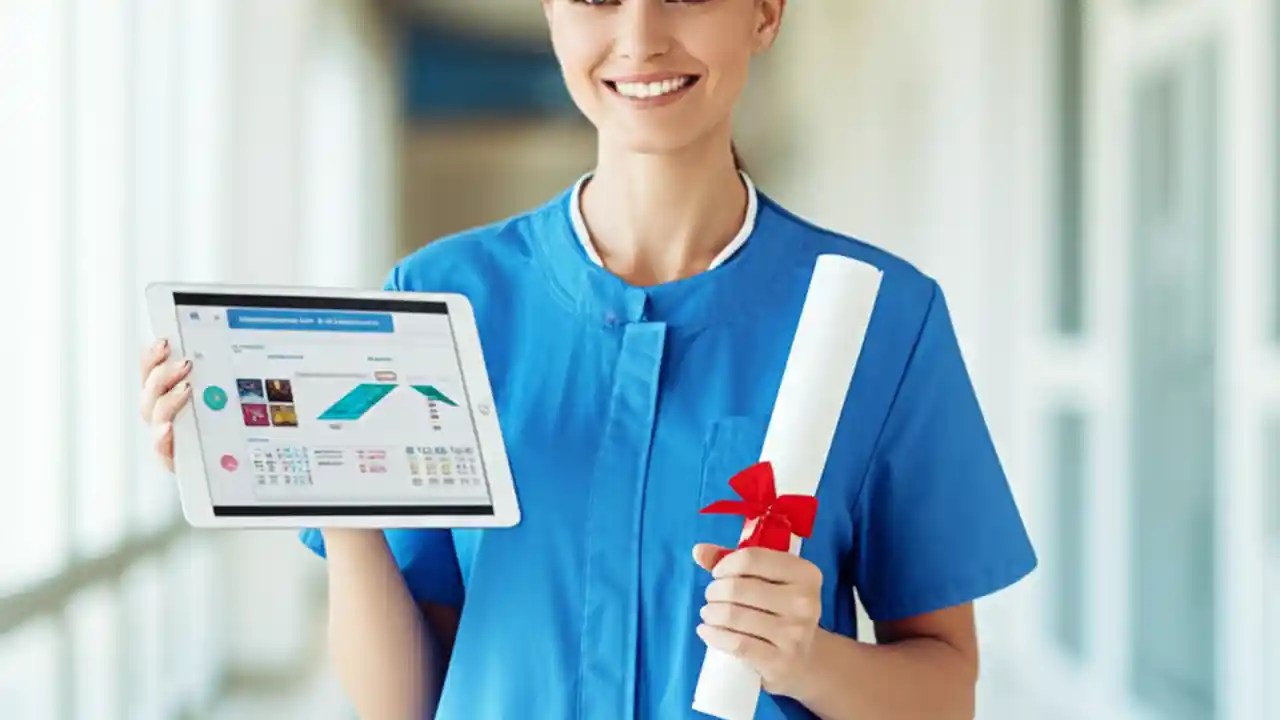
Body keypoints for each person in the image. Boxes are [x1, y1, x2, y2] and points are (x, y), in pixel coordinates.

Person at [138, 1, 1036, 718]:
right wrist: (334, 494)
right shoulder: (443, 301)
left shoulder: (883, 318)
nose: (640, 37)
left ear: (766, 11)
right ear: (551, 15)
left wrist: (809, 661)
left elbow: (944, 690)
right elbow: (404, 702)